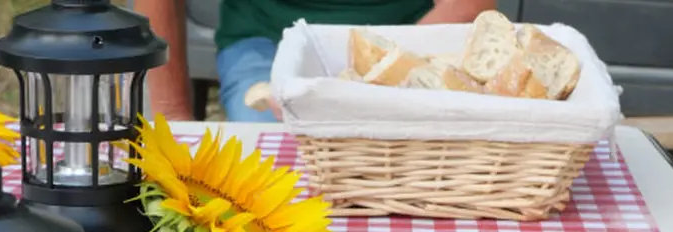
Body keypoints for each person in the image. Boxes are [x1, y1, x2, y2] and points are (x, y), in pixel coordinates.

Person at [138, 0, 496, 122]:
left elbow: (467, 5)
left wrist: (372, 81)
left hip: (409, 38)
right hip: (266, 40)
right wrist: (172, 117)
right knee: (273, 167)